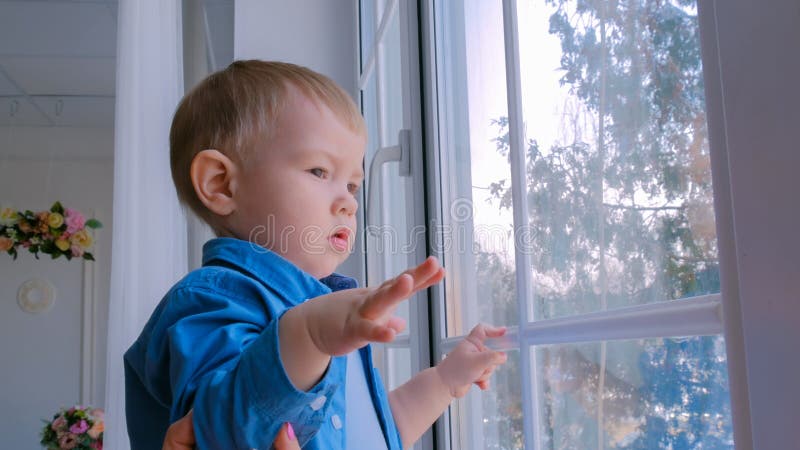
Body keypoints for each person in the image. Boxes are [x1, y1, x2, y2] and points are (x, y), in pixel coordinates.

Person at [126, 60, 507, 450]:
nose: (348, 202)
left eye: (354, 185)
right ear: (220, 184)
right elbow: (222, 432)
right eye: (320, 171)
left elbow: (374, 434)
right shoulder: (210, 300)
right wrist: (309, 334)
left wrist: (445, 381)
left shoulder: (326, 317)